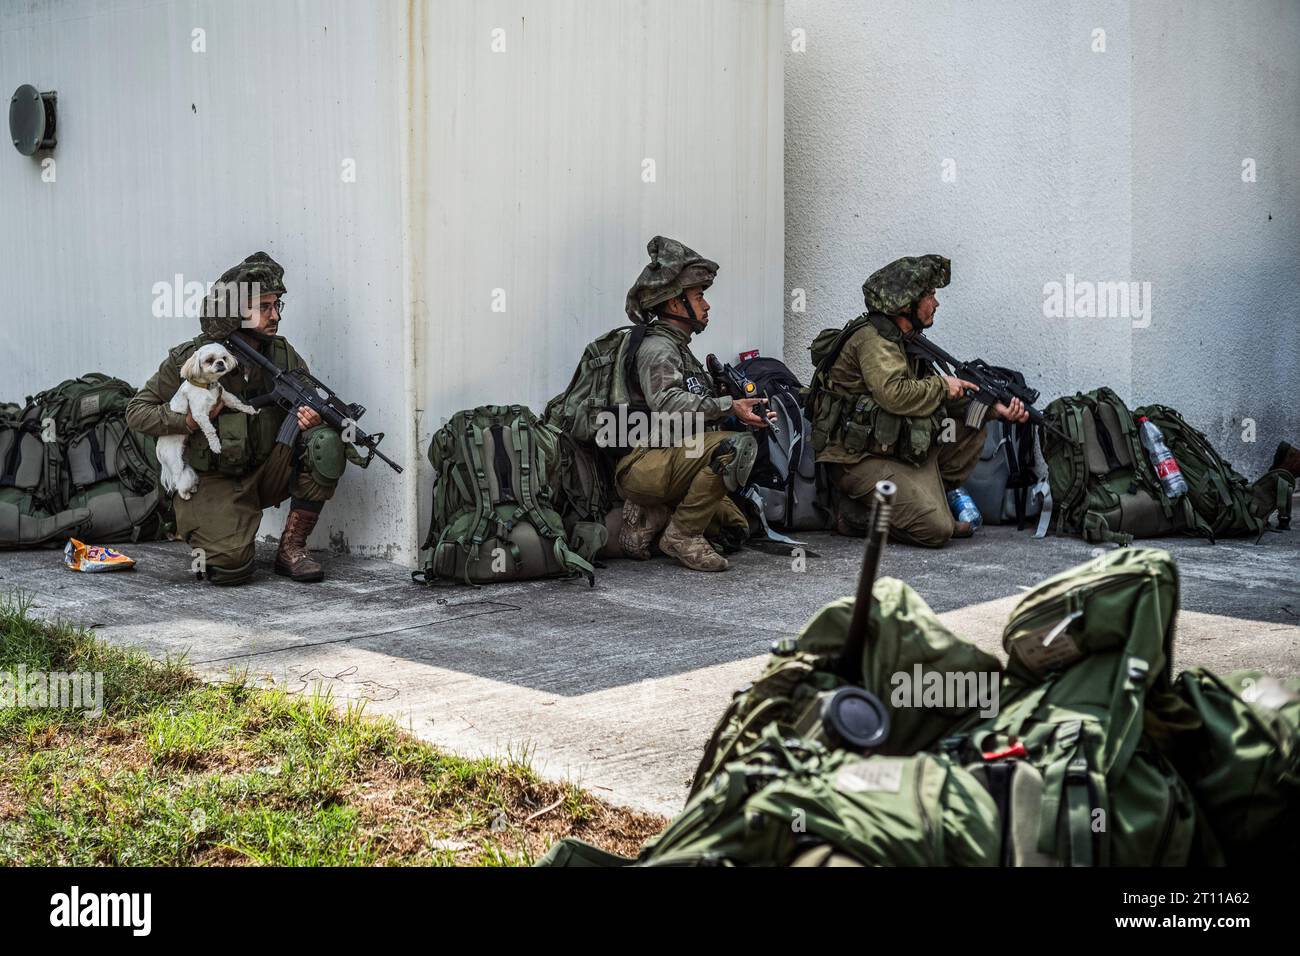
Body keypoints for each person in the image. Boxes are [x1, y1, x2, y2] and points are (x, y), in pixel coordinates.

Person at [126, 252, 348, 584]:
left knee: (325, 444)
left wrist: (311, 421)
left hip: (265, 469)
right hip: (212, 480)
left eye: (277, 306)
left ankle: (291, 549)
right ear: (234, 313)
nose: (275, 316)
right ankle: (215, 527)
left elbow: (307, 410)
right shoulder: (196, 358)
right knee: (230, 569)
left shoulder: (284, 355)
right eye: (265, 307)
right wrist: (186, 422)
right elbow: (137, 412)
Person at [812, 254, 1029, 547]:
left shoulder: (907, 339)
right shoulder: (874, 342)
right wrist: (942, 385)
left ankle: (929, 497)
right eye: (929, 295)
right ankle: (853, 515)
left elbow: (938, 399)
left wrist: (994, 409)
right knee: (937, 531)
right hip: (859, 459)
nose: (936, 303)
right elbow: (895, 394)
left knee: (973, 420)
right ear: (905, 305)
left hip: (898, 450)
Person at [615, 236, 773, 571]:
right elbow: (667, 403)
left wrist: (741, 413)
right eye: (699, 296)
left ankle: (658, 514)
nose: (706, 305)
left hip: (674, 460)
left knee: (736, 528)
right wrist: (729, 405)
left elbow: (695, 415)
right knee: (734, 448)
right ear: (674, 305)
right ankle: (680, 535)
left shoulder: (680, 349)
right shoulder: (659, 349)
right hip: (646, 462)